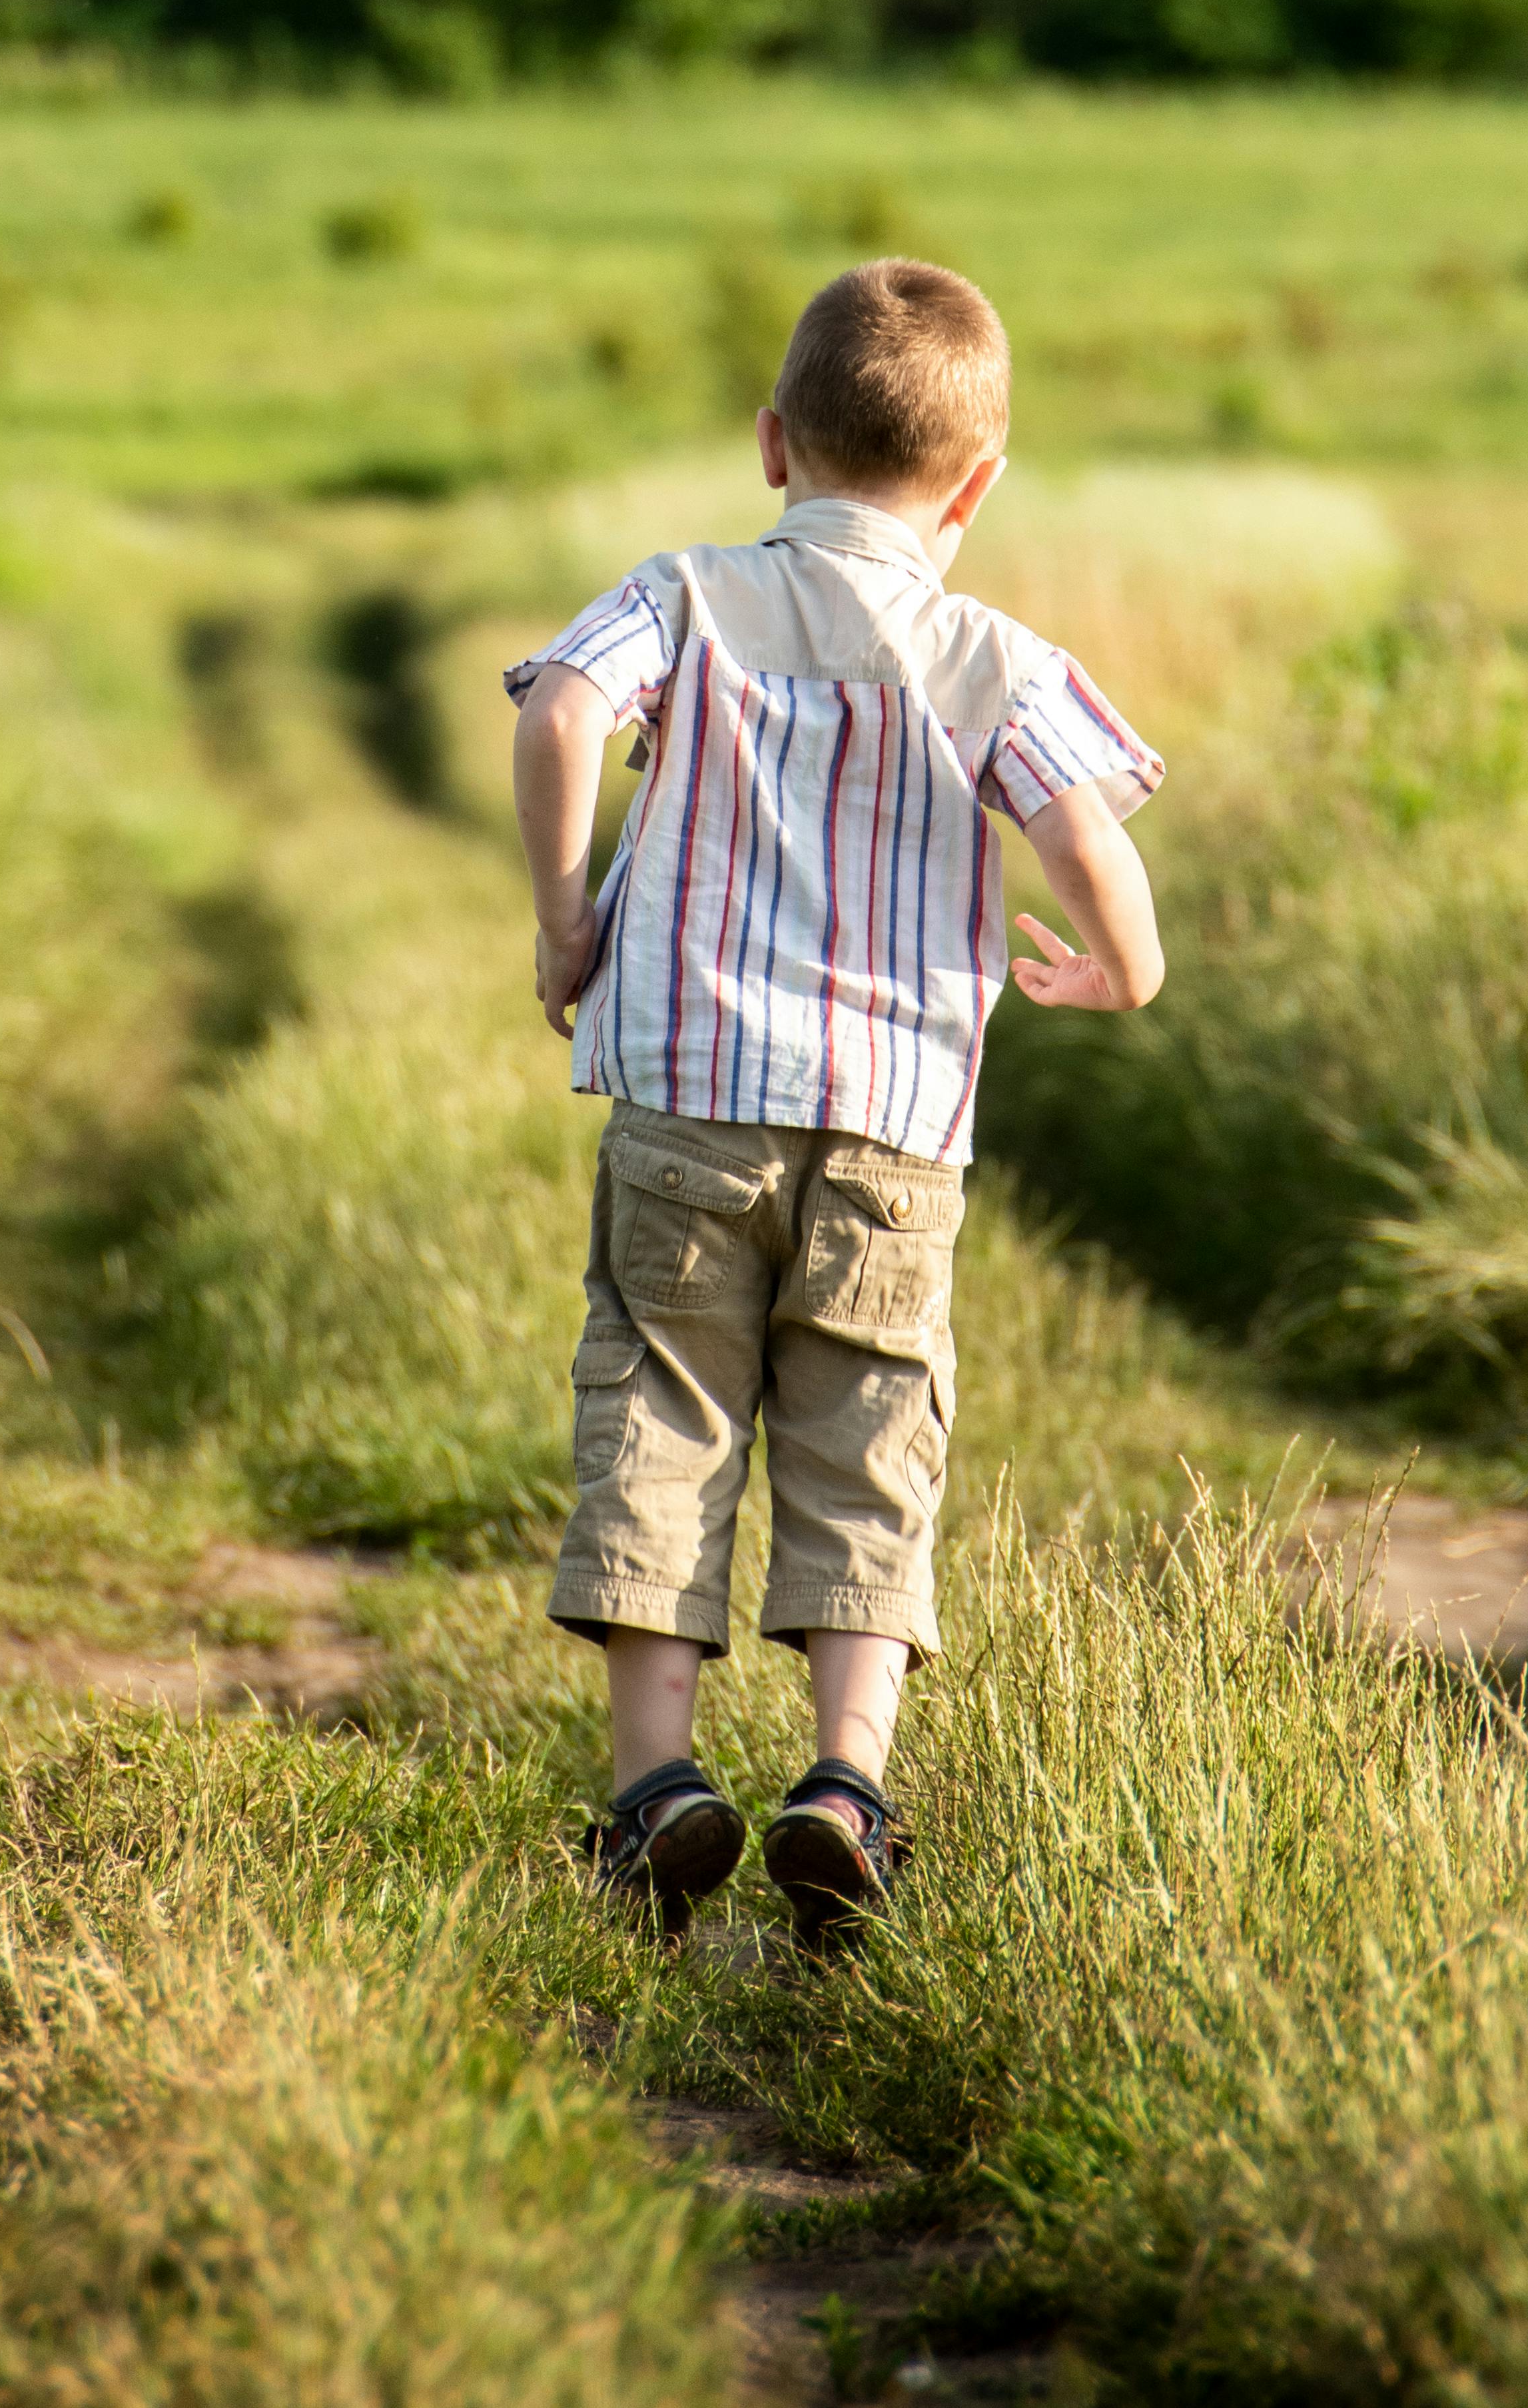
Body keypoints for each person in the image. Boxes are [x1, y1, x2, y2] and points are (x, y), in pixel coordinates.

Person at [507, 256, 1165, 1949]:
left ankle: (657, 1785)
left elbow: (565, 708)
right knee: (869, 1431)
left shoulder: (685, 592)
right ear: (979, 484)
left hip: (686, 1101)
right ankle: (843, 1783)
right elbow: (1088, 830)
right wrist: (1123, 965)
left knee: (662, 1404)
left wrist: (566, 910)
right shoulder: (992, 656)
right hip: (891, 1126)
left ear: (770, 444)